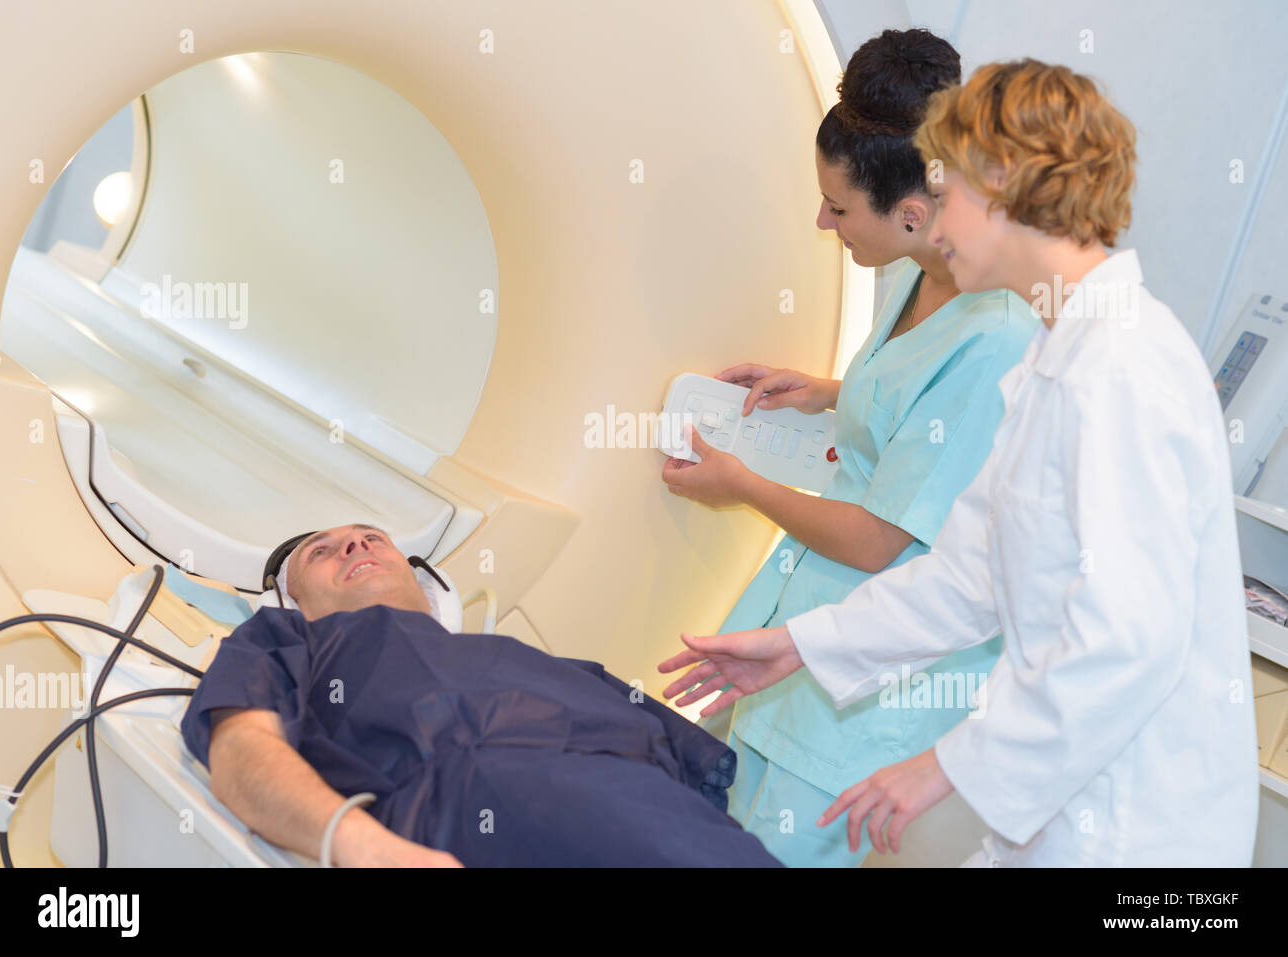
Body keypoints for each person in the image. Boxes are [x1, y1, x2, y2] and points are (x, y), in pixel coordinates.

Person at [659, 59, 1259, 867]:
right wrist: (806, 644)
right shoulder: (1057, 357)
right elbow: (969, 573)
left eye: (948, 196)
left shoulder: (1124, 370)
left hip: (1141, 841)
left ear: (1008, 192)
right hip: (1059, 816)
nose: (932, 227)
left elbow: (1125, 640)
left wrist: (944, 764)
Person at [660, 28, 1037, 866]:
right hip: (791, 633)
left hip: (866, 687)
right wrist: (828, 392)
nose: (822, 221)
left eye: (837, 207)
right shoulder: (913, 268)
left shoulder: (1000, 333)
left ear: (910, 210)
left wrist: (742, 483)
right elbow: (913, 405)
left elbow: (877, 540)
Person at [181, 524, 781, 867]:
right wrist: (363, 847)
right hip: (496, 809)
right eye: (322, 551)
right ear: (293, 600)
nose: (355, 547)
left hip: (681, 826)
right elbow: (240, 752)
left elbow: (696, 782)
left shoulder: (552, 664)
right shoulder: (286, 641)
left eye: (372, 538)